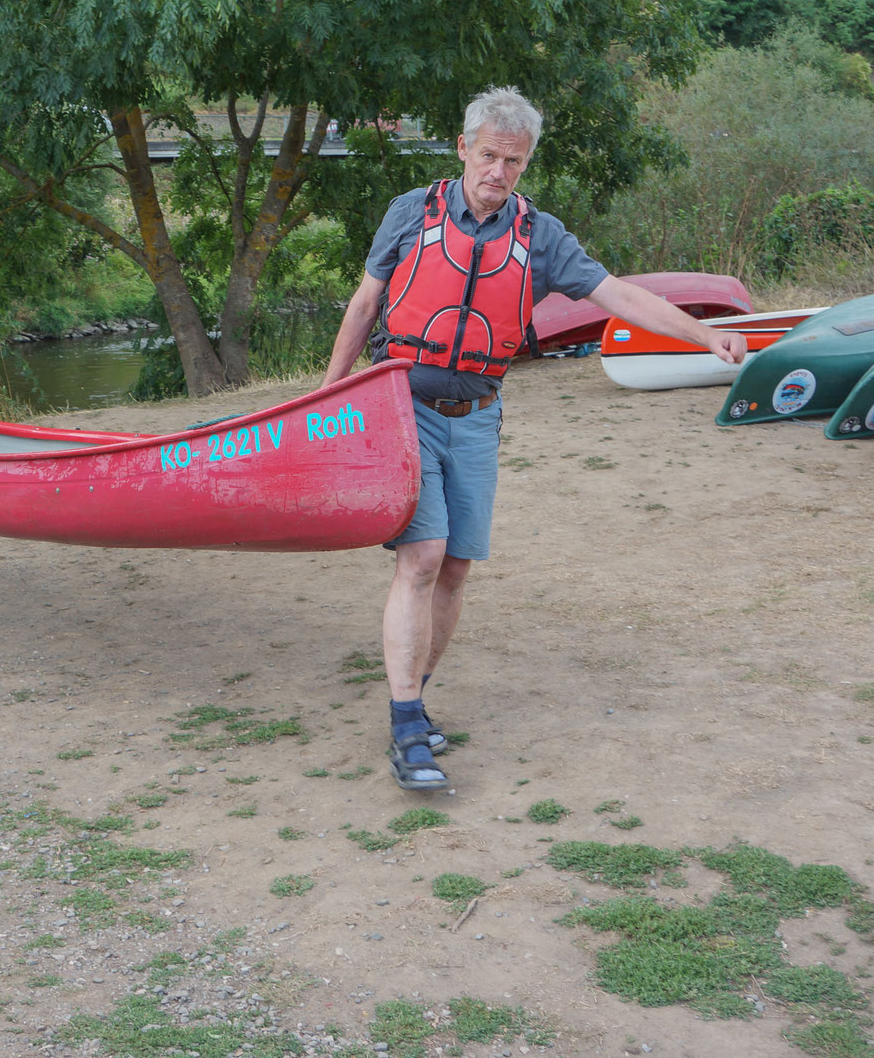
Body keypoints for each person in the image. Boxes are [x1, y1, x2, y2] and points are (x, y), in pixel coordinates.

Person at [320, 87, 747, 791]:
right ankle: (404, 725)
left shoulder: (539, 236)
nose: (498, 170)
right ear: (463, 148)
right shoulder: (412, 212)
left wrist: (706, 333)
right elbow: (365, 304)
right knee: (421, 556)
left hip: (480, 413)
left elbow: (621, 297)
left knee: (456, 566)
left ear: (526, 163)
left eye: (513, 161)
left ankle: (416, 697)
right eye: (488, 154)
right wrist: (328, 399)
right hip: (403, 407)